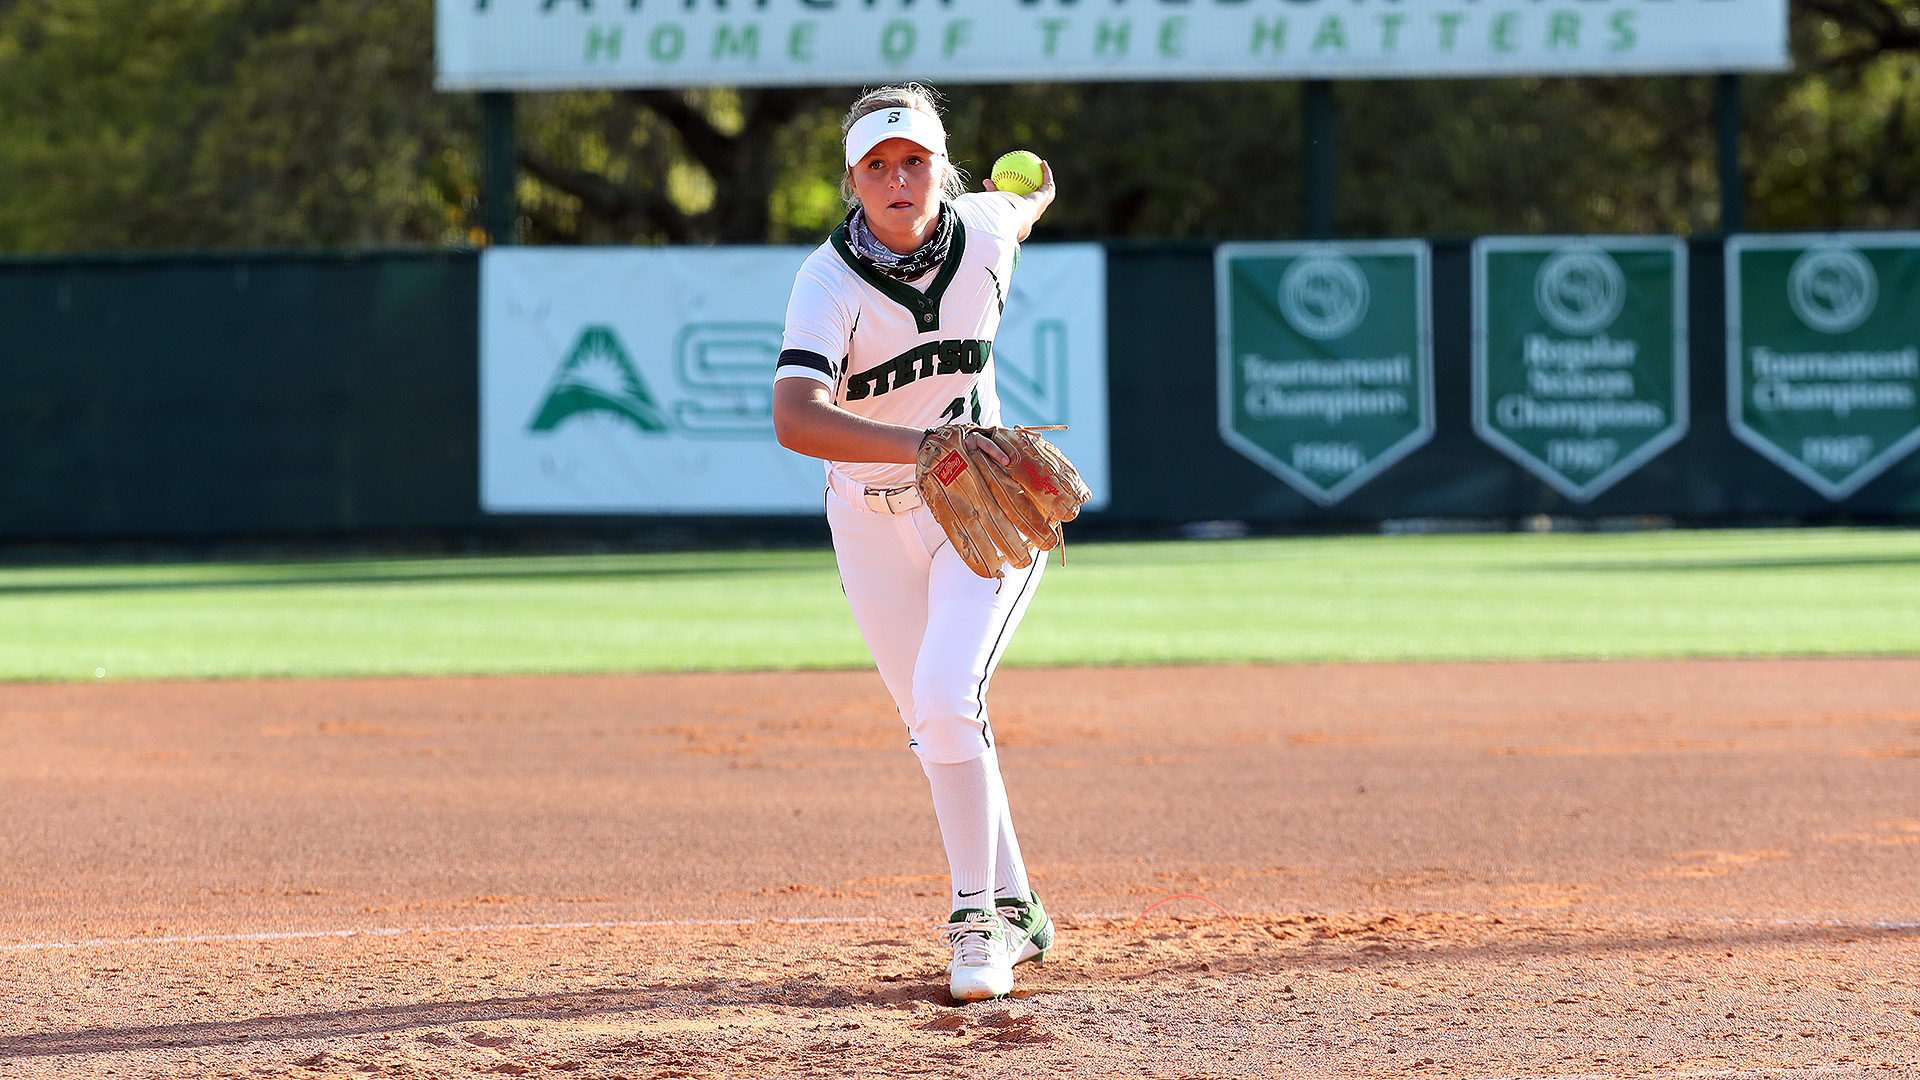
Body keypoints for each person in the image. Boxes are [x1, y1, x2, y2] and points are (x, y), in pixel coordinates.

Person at [770, 83, 1058, 1003]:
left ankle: (977, 920)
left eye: (915, 161)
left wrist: (1035, 191)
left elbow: (1024, 198)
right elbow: (794, 417)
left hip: (980, 509)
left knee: (944, 694)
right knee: (936, 721)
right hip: (866, 518)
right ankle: (1020, 907)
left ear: (942, 168)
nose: (899, 180)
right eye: (878, 166)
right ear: (853, 181)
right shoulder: (826, 282)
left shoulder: (983, 230)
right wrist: (921, 447)